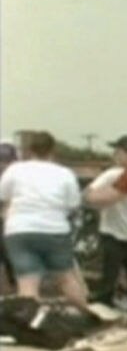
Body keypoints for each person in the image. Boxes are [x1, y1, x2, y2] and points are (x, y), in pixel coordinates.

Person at [0, 131, 89, 311]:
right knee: (66, 278)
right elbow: (73, 204)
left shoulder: (15, 170)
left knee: (27, 281)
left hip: (20, 230)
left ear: (29, 150)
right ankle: (86, 315)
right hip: (54, 230)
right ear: (53, 150)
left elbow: (3, 195)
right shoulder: (64, 173)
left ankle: (30, 325)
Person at [83, 136, 127, 307]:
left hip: (121, 231)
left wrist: (100, 198)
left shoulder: (114, 174)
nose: (115, 155)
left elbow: (87, 194)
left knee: (113, 273)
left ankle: (108, 303)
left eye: (118, 151)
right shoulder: (120, 174)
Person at [0, 140, 20, 295]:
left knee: (11, 257)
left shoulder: (18, 177)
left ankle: (16, 289)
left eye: (7, 161)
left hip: (12, 223)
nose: (3, 165)